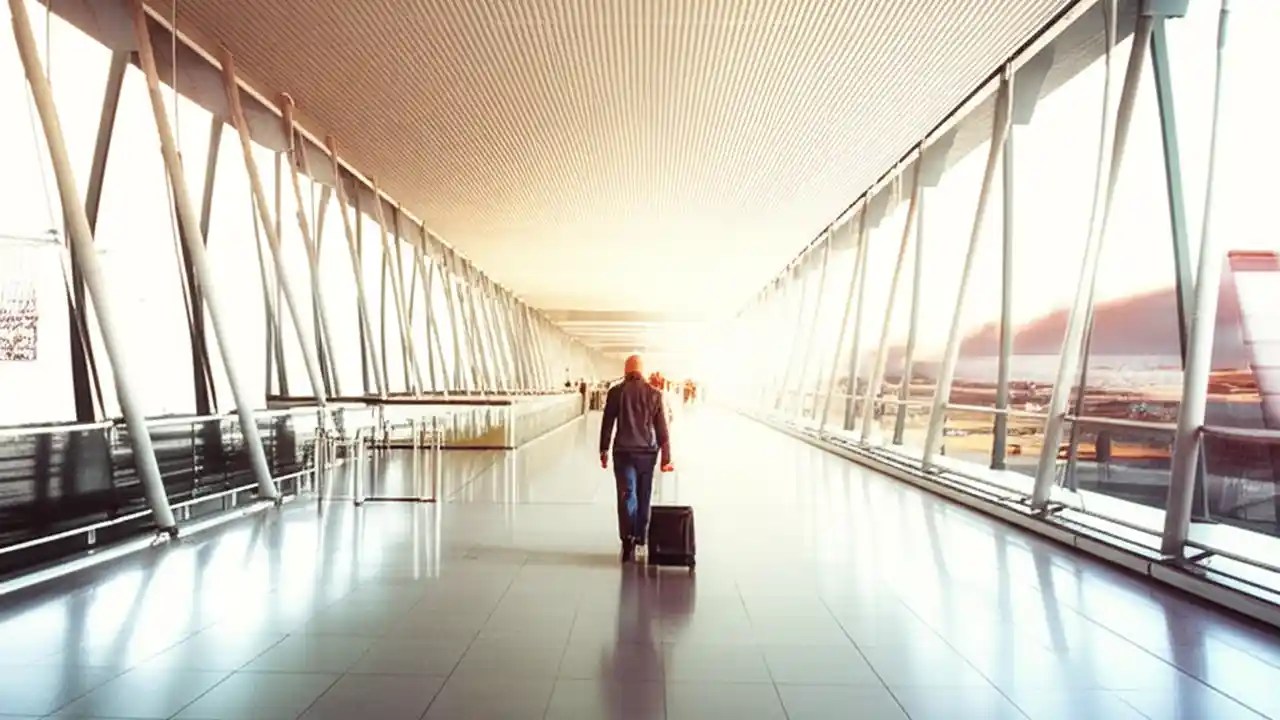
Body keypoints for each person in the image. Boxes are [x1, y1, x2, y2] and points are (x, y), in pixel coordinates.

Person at [600, 354, 673, 562]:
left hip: (623, 452)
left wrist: (603, 449)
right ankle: (641, 537)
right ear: (642, 372)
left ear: (626, 371)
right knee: (644, 495)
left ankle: (628, 541)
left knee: (626, 495)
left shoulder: (616, 393)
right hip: (647, 454)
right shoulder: (654, 394)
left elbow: (607, 423)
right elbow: (662, 429)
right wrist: (666, 457)